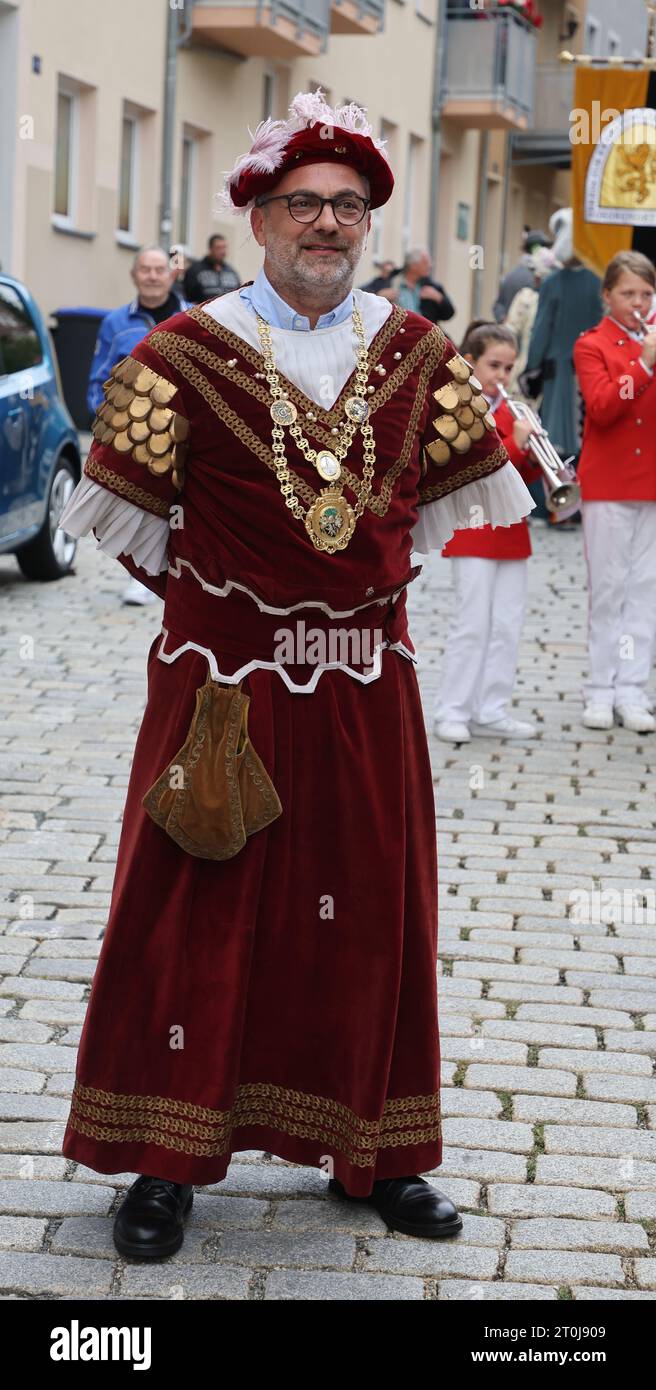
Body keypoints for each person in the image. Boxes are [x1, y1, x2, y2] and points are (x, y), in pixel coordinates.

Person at [57, 87, 534, 1261]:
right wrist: (226, 613)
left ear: (365, 222)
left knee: (370, 914)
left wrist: (347, 600)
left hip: (365, 682)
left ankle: (376, 1154)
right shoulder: (176, 353)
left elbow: (444, 513)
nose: (325, 224)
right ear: (258, 218)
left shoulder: (420, 353)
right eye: (300, 205)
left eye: (346, 207)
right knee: (193, 915)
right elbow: (122, 528)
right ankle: (166, 1164)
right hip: (220, 683)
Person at [434, 323, 542, 742]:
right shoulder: (459, 406)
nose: (502, 374)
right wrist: (516, 445)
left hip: (513, 532)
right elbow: (473, 466)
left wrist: (534, 458)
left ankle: (492, 708)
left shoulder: (515, 410)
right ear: (470, 362)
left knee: (507, 624)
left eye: (509, 367)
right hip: (475, 528)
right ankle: (453, 709)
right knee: (472, 623)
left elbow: (520, 476)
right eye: (494, 365)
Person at [573, 250, 656, 733]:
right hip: (608, 484)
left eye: (646, 293)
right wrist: (643, 365)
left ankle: (633, 690)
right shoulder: (593, 344)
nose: (639, 302)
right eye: (628, 293)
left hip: (651, 485)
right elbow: (605, 407)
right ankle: (600, 689)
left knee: (645, 592)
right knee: (608, 591)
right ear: (608, 296)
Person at [84, 246, 190, 607]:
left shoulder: (192, 317)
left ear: (171, 274)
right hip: (132, 431)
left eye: (159, 269)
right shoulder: (115, 323)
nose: (152, 275)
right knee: (136, 504)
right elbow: (99, 377)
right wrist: (104, 419)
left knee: (184, 508)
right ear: (134, 275)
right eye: (145, 269)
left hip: (182, 430)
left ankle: (184, 572)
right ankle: (140, 576)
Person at [492, 229, 551, 323]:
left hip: (508, 332)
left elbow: (498, 305)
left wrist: (503, 319)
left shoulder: (511, 275)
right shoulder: (543, 278)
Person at [382, 246, 456, 322]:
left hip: (424, 332)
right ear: (413, 265)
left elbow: (449, 313)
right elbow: (371, 296)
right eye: (425, 262)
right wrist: (380, 295)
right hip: (397, 331)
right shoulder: (390, 281)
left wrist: (439, 298)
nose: (430, 265)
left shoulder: (431, 286)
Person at [183, 233, 240, 303]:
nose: (222, 251)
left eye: (224, 247)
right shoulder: (195, 271)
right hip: (203, 312)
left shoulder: (231, 272)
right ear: (210, 249)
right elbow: (187, 298)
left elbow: (239, 294)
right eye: (218, 248)